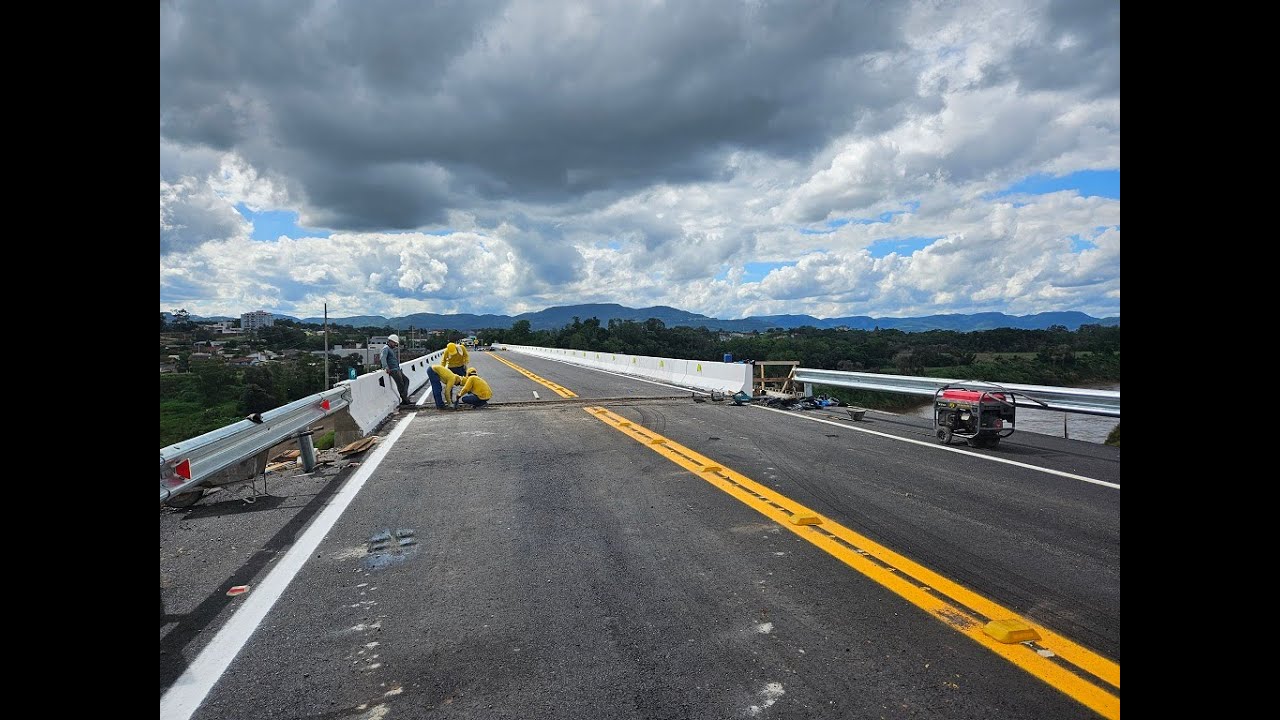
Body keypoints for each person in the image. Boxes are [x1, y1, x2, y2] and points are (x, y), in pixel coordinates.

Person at [381, 334, 411, 406]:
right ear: (390, 341)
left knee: (406, 380)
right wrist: (386, 367)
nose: (395, 345)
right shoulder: (386, 349)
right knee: (400, 385)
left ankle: (404, 397)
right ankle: (404, 399)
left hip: (397, 369)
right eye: (394, 343)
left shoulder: (390, 349)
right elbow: (383, 358)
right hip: (393, 370)